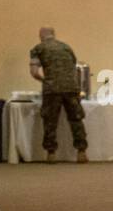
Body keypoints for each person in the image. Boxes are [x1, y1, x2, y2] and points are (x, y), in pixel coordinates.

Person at [29, 27, 88, 163]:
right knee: (76, 119)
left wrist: (44, 80)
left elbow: (34, 72)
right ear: (53, 35)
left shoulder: (38, 49)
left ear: (41, 36)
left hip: (52, 89)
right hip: (71, 88)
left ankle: (51, 153)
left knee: (50, 121)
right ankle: (81, 151)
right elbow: (73, 67)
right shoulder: (66, 47)